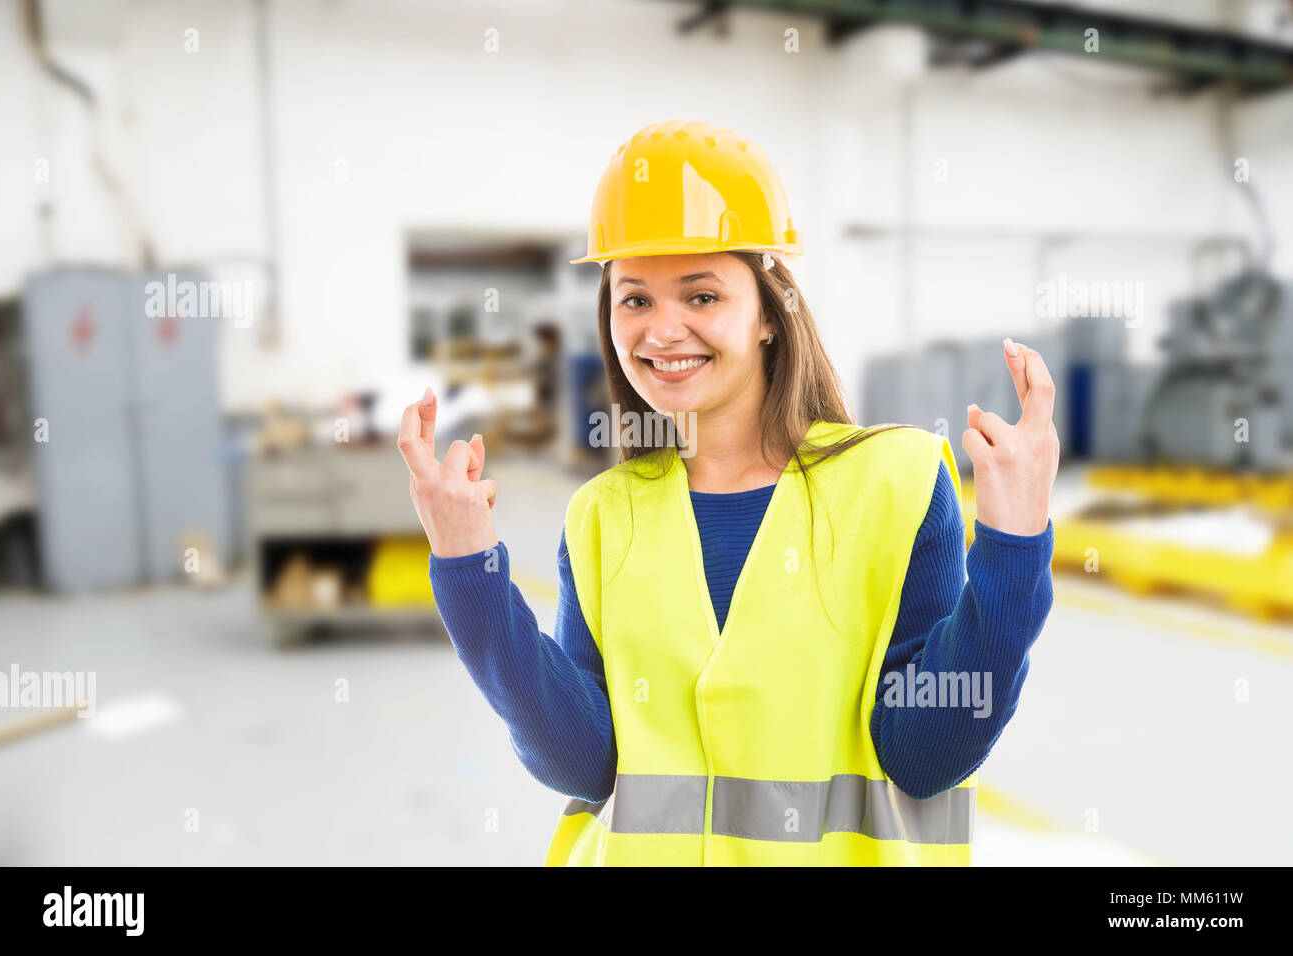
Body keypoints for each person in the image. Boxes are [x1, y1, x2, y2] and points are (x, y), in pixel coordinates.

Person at [397, 120, 1059, 866]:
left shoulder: (895, 485)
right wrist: (466, 569)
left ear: (771, 314)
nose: (662, 330)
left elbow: (926, 756)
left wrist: (1014, 545)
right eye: (634, 299)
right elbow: (581, 762)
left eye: (702, 294)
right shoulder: (603, 516)